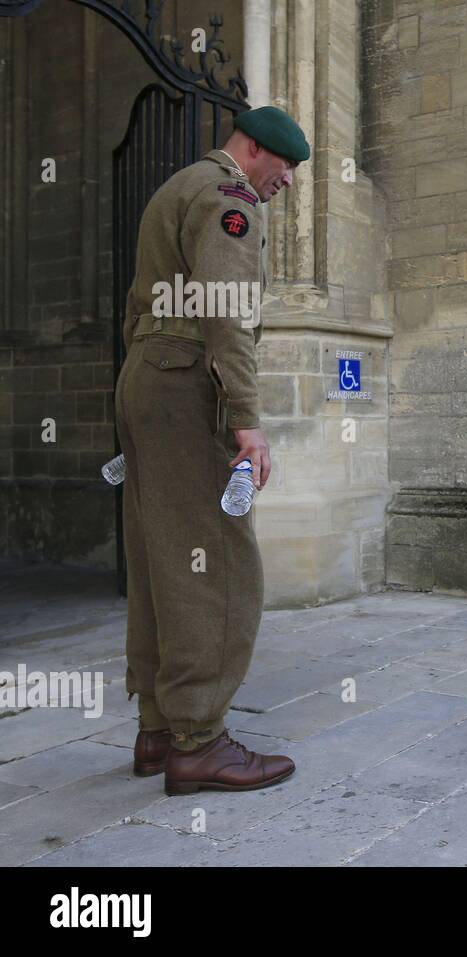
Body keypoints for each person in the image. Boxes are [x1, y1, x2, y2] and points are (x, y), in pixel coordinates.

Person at [115, 106, 309, 795]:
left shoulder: (176, 187)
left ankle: (160, 728)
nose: (287, 181)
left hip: (147, 376)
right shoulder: (230, 199)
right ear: (252, 149)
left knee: (159, 555)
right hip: (187, 387)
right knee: (216, 562)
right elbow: (227, 310)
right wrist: (248, 422)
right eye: (283, 166)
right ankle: (200, 742)